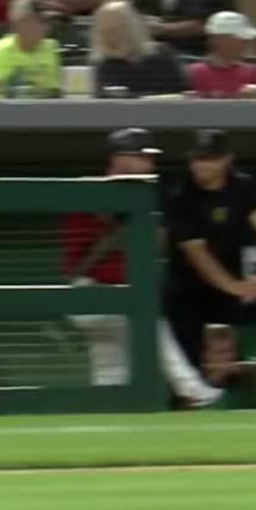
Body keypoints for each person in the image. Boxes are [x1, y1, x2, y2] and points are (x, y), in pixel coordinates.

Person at [61, 128, 223, 408]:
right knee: (151, 325)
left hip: (111, 297)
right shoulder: (94, 190)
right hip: (92, 292)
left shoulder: (141, 197)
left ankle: (105, 415)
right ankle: (191, 389)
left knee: (110, 367)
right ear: (118, 158)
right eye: (141, 157)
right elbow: (114, 226)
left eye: (150, 158)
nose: (149, 164)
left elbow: (154, 244)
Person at [163, 129, 256, 410]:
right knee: (189, 384)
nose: (200, 165)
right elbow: (199, 256)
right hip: (186, 295)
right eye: (196, 159)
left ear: (226, 160)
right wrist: (236, 287)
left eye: (208, 159)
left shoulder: (244, 188)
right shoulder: (180, 196)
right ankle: (183, 407)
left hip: (226, 294)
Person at [89, 0, 188, 96]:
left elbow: (183, 94)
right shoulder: (106, 67)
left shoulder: (163, 56)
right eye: (107, 31)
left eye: (120, 28)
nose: (114, 36)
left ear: (134, 27)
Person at [0, 0, 61, 97]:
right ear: (21, 23)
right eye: (42, 21)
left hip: (39, 111)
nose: (47, 27)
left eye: (49, 22)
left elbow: (53, 93)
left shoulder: (49, 48)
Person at [189, 10, 256, 98]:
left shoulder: (252, 73)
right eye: (241, 39)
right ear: (222, 41)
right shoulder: (195, 73)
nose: (246, 43)